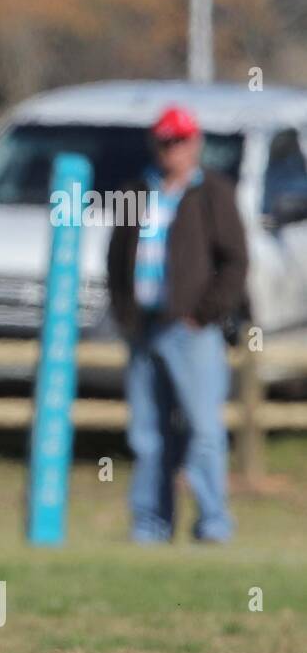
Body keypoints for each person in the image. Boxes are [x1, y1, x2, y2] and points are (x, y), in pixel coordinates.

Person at [107, 105, 249, 544]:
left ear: (196, 142)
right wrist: (125, 314)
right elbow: (115, 258)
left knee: (204, 429)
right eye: (166, 140)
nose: (173, 149)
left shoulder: (214, 193)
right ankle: (150, 525)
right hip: (144, 327)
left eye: (181, 140)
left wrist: (202, 314)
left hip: (191, 330)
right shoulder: (137, 189)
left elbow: (235, 262)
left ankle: (212, 525)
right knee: (148, 434)